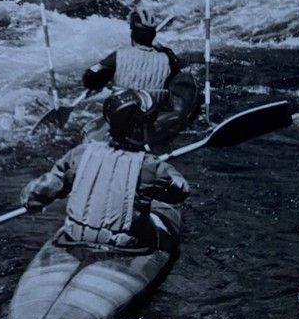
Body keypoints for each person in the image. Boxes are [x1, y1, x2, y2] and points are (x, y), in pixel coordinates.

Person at [20, 89, 189, 251]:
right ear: (139, 128)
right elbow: (179, 193)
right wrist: (165, 168)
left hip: (74, 237)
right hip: (125, 245)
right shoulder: (149, 166)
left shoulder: (81, 153)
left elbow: (51, 183)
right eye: (149, 123)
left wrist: (33, 201)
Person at [82, 4, 180, 94]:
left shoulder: (118, 56)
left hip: (125, 104)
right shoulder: (167, 59)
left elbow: (89, 79)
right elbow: (175, 68)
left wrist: (106, 75)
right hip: (152, 106)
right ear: (153, 35)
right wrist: (161, 48)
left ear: (132, 33)